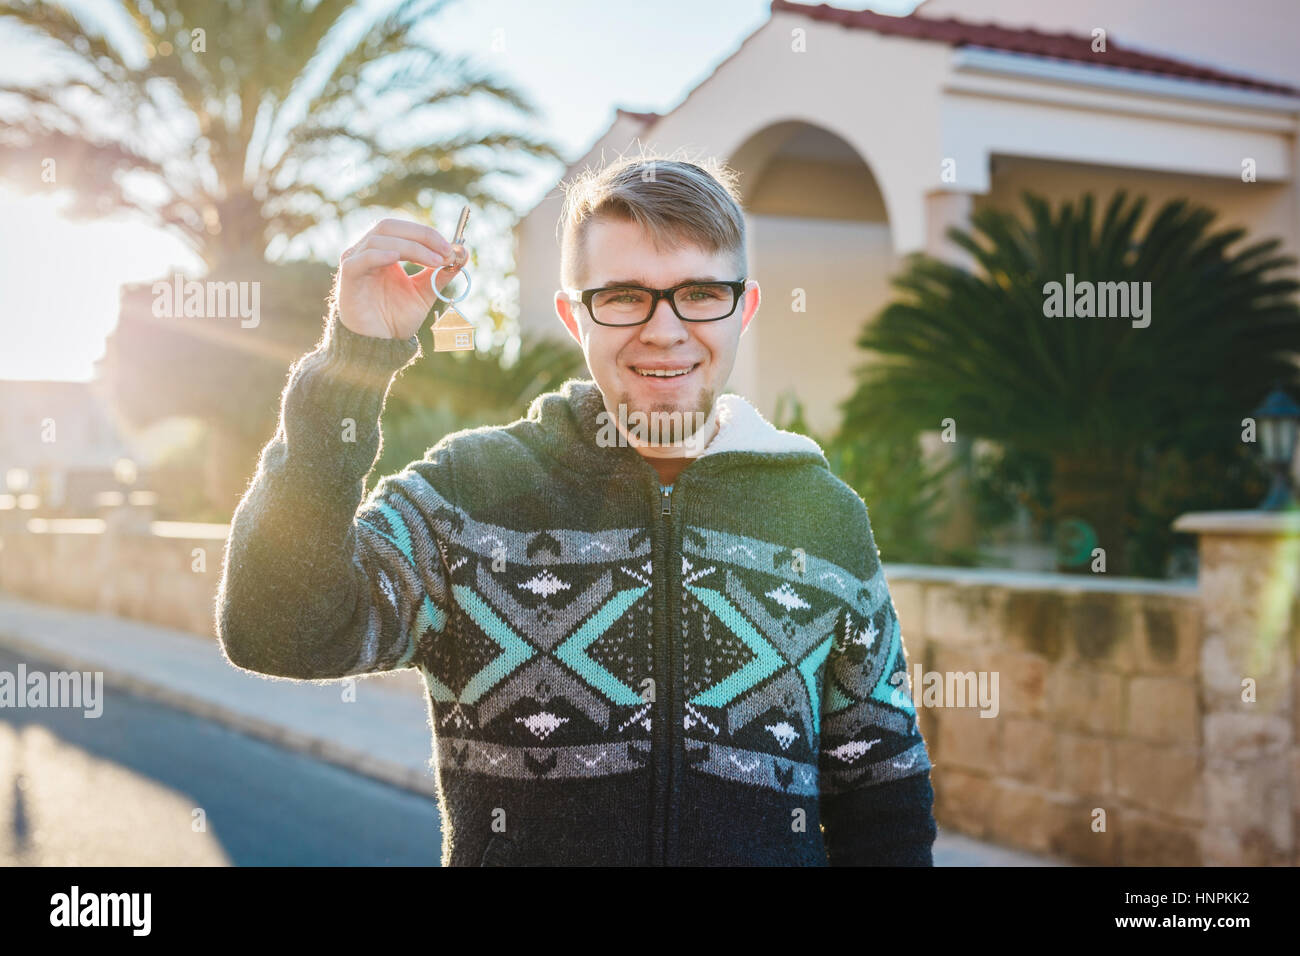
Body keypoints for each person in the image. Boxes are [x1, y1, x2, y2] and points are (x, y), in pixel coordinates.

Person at [215, 152, 937, 866]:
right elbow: (276, 628)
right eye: (623, 296)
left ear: (742, 307)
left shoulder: (826, 518)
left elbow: (883, 803)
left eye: (700, 293)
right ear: (572, 315)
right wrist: (352, 362)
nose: (664, 329)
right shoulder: (471, 492)